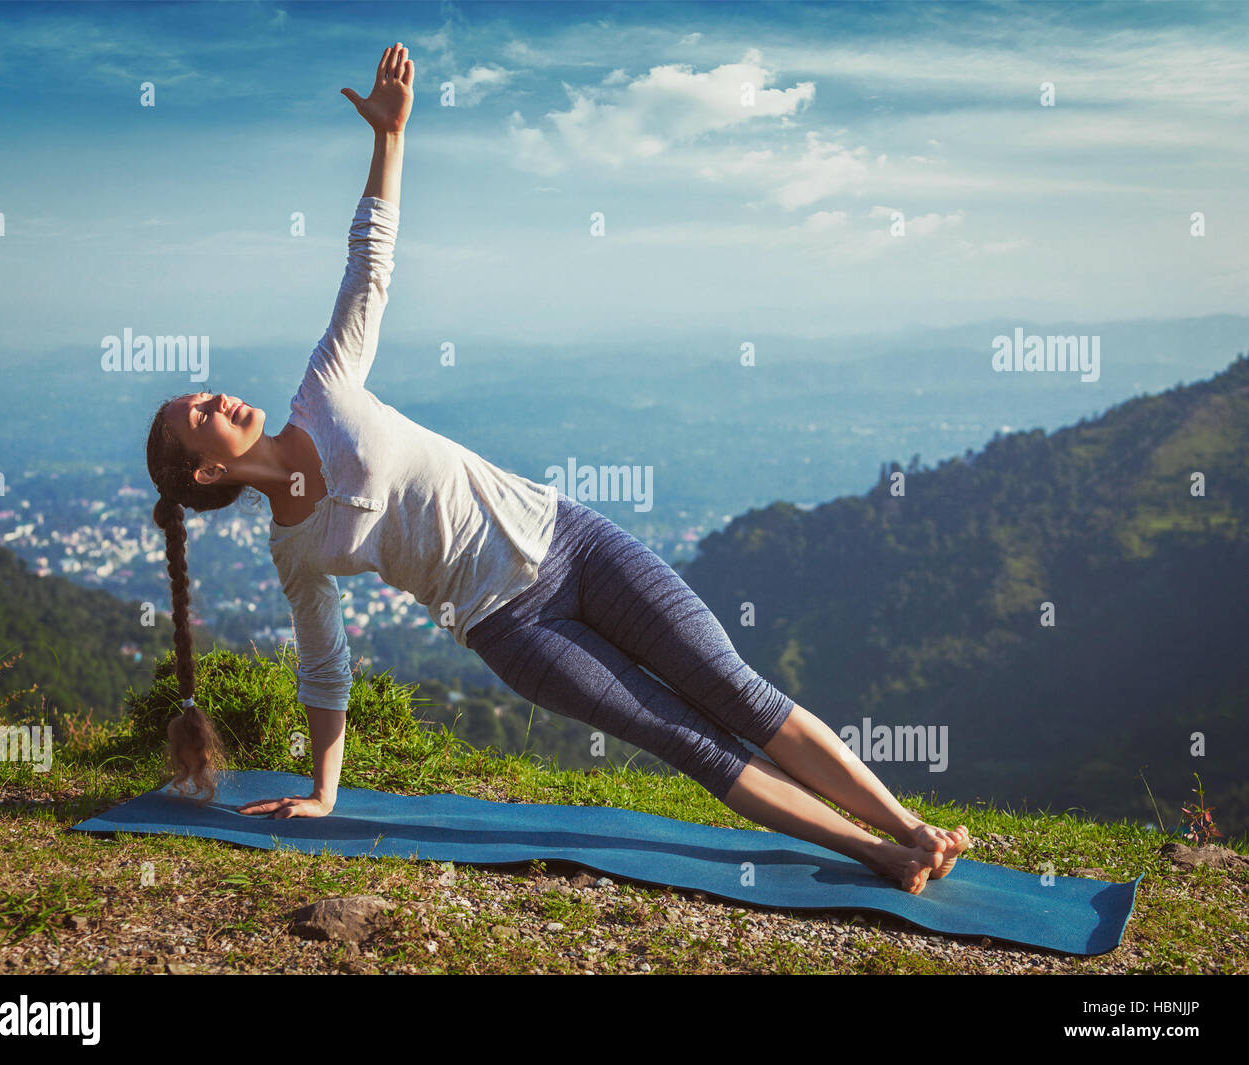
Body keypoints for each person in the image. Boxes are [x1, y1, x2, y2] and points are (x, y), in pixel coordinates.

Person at [144, 44, 968, 894]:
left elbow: (369, 267)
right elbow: (325, 664)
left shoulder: (323, 389)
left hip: (571, 536)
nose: (218, 402)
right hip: (514, 628)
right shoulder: (296, 549)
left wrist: (389, 139)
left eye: (207, 393)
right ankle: (879, 854)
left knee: (737, 692)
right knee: (687, 739)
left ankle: (912, 825)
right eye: (198, 416)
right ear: (205, 473)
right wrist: (323, 792)